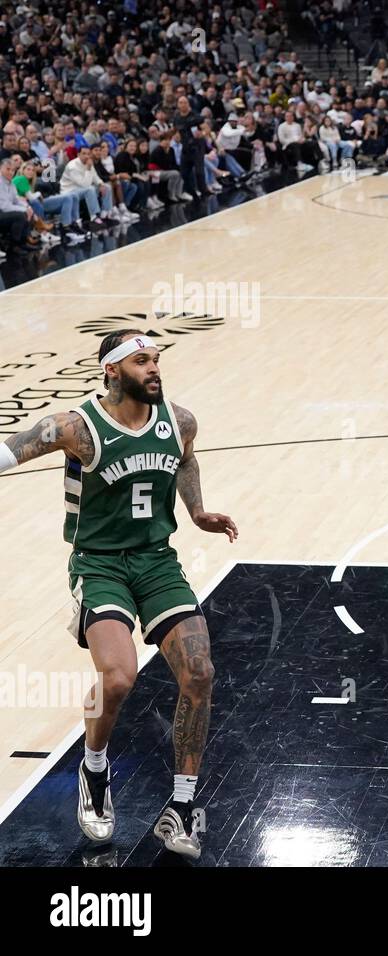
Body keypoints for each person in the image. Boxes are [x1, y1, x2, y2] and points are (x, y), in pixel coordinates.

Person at [0, 330, 238, 859]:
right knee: (120, 676)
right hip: (99, 563)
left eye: (155, 359)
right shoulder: (77, 427)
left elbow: (187, 459)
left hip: (157, 561)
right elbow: (9, 452)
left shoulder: (180, 420)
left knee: (200, 673)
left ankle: (179, 809)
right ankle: (93, 766)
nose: (153, 368)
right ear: (111, 371)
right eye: (140, 361)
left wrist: (197, 512)